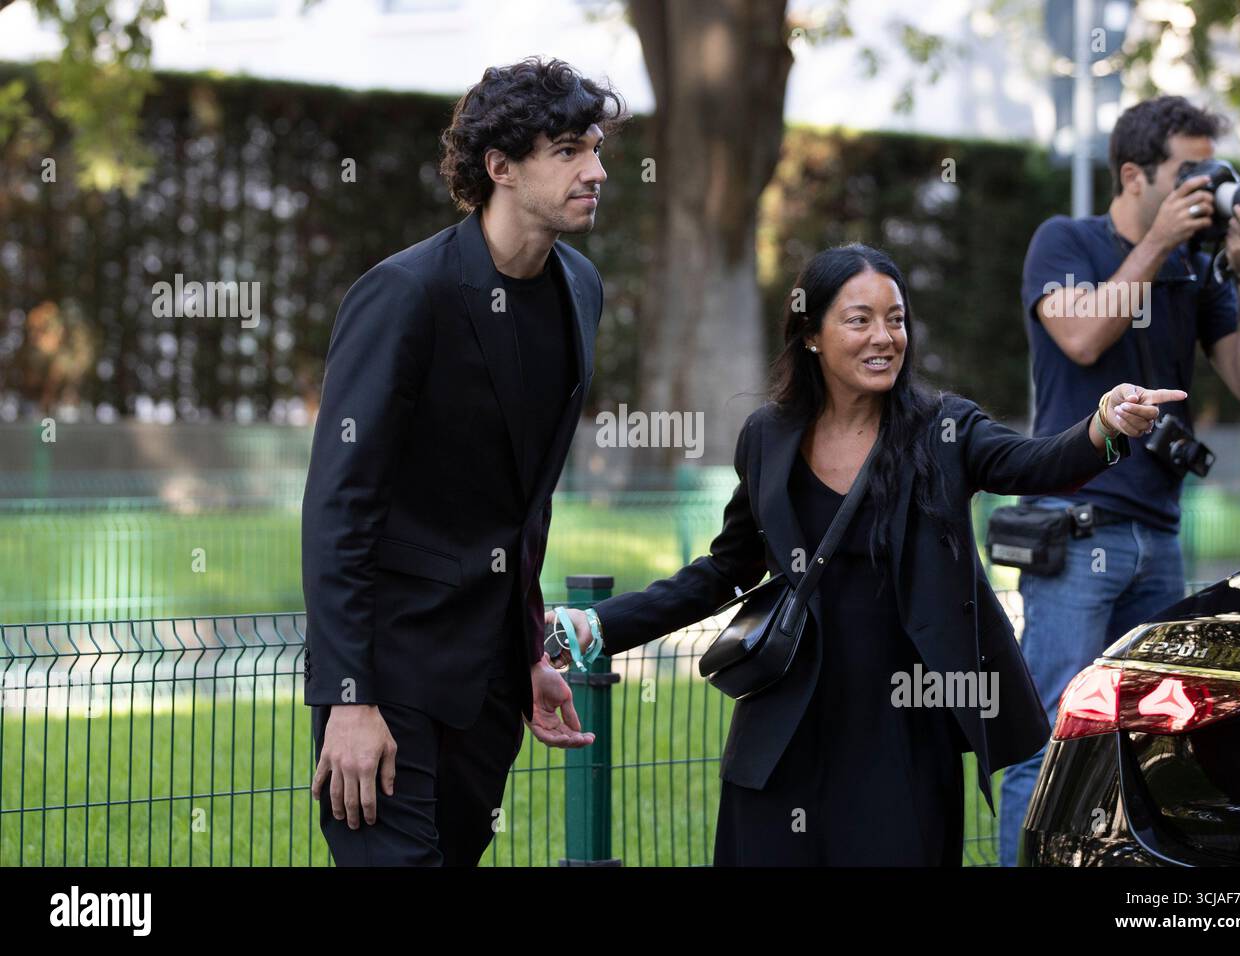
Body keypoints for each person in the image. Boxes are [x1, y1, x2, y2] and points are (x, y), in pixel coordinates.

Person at [548, 243, 1184, 865]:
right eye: (860, 320)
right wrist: (602, 623)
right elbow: (724, 570)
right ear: (812, 335)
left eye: (897, 319)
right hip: (784, 731)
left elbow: (1036, 462)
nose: (885, 337)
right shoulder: (768, 436)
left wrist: (1104, 424)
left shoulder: (944, 427)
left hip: (902, 732)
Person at [301, 57, 625, 866]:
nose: (597, 169)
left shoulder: (580, 288)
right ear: (500, 167)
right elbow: (340, 506)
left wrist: (526, 656)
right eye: (569, 151)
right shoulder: (404, 294)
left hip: (487, 682)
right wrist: (350, 699)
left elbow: (520, 502)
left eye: (594, 147)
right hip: (390, 676)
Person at [997, 95, 1240, 867]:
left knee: (1159, 738)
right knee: (1049, 734)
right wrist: (1156, 243)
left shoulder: (1198, 266)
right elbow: (1083, 337)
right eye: (1189, 171)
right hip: (1075, 526)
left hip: (1158, 536)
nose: (1206, 185)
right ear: (1133, 175)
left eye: (1211, 169)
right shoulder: (1068, 240)